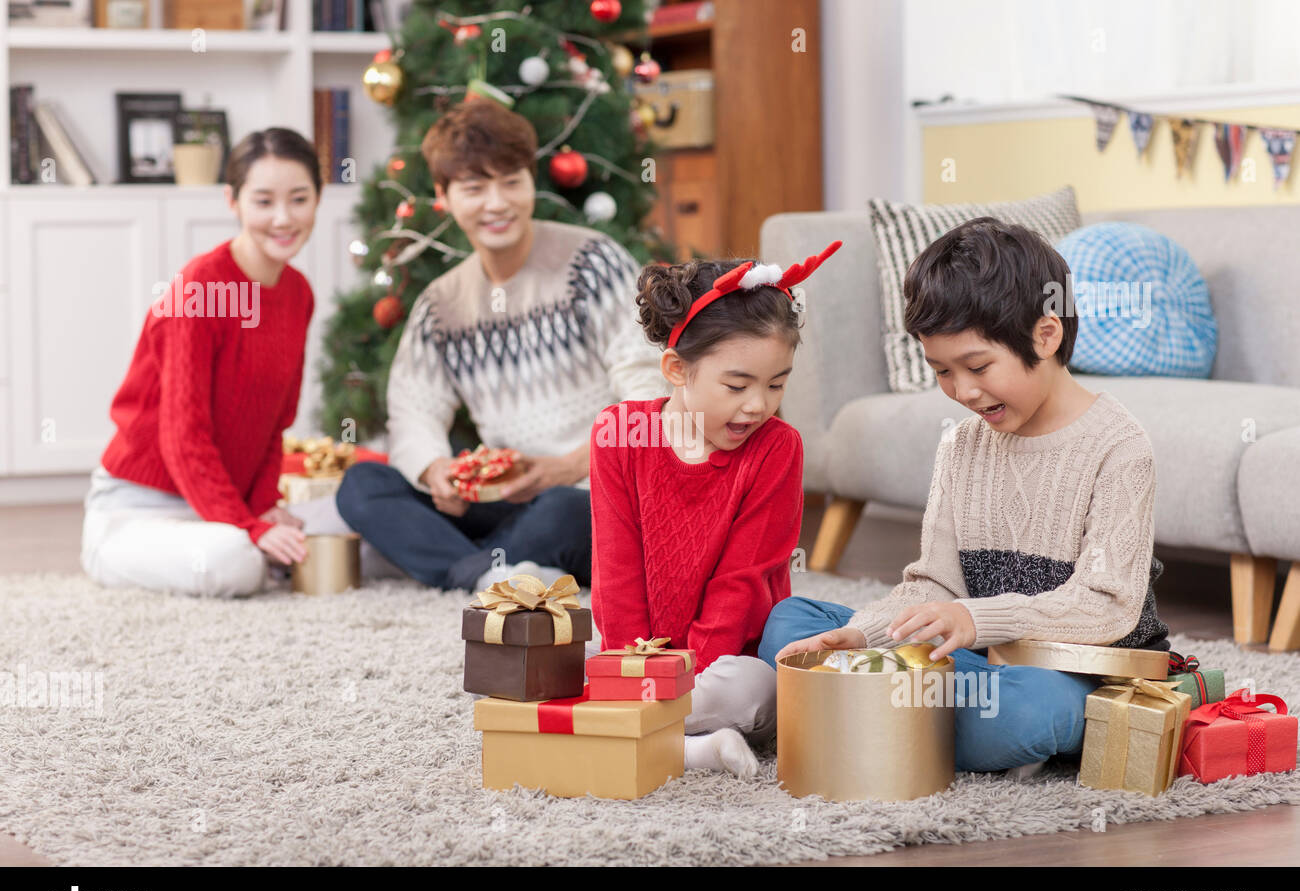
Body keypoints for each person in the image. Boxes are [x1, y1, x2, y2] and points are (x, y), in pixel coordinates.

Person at [762, 217, 1170, 778]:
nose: (964, 391)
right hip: (973, 661)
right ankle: (883, 701)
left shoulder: (1119, 448)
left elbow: (1106, 606)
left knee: (1025, 710)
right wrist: (865, 634)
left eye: (977, 366)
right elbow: (935, 586)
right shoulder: (961, 447)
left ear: (1045, 336)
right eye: (942, 372)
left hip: (1072, 669)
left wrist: (977, 620)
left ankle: (854, 705)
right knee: (792, 622)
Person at [337, 98, 666, 593]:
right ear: (444, 196)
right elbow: (414, 411)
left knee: (559, 512)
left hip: (592, 491)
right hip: (503, 495)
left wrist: (572, 465)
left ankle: (462, 565)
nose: (497, 203)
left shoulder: (591, 263)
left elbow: (650, 390)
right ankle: (491, 573)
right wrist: (435, 468)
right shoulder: (441, 303)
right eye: (475, 188)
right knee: (362, 485)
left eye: (512, 182)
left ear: (532, 183)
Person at [590, 242, 842, 777]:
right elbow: (615, 571)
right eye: (737, 385)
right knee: (586, 674)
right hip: (644, 661)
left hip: (730, 662)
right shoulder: (618, 434)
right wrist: (633, 668)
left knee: (760, 688)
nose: (758, 405)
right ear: (677, 370)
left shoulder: (778, 448)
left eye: (777, 384)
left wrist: (687, 676)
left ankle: (628, 732)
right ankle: (691, 748)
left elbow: (742, 581)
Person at [81, 128, 321, 597]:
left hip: (216, 508)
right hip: (138, 511)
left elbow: (275, 425)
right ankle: (116, 556)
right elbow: (182, 437)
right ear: (233, 201)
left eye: (299, 199)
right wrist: (249, 527)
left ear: (318, 198)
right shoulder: (200, 289)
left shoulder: (298, 294)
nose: (283, 218)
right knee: (233, 560)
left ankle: (248, 540)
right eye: (264, 201)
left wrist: (262, 508)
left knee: (325, 536)